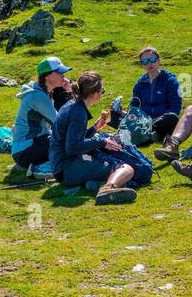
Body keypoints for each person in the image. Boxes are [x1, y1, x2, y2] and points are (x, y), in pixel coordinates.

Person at [48, 71, 151, 205]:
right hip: (67, 168)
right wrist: (102, 141)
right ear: (95, 93)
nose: (102, 93)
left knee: (108, 162)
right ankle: (107, 190)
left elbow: (73, 139)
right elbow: (72, 147)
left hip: (60, 166)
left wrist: (94, 129)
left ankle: (95, 184)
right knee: (126, 169)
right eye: (102, 90)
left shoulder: (72, 105)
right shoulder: (78, 113)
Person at [11, 56, 71, 173]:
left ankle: (49, 165)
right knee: (67, 143)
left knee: (68, 141)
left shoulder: (45, 92)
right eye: (59, 72)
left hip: (33, 144)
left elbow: (63, 117)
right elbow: (59, 123)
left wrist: (66, 92)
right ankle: (42, 168)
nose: (63, 75)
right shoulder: (37, 96)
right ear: (47, 76)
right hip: (25, 151)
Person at [129, 47, 183, 141]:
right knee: (117, 115)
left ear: (159, 60)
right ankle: (151, 135)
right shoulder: (140, 83)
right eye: (145, 61)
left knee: (172, 117)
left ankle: (144, 134)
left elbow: (175, 107)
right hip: (143, 120)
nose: (149, 63)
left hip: (162, 120)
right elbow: (134, 105)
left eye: (152, 60)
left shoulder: (170, 80)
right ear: (142, 64)